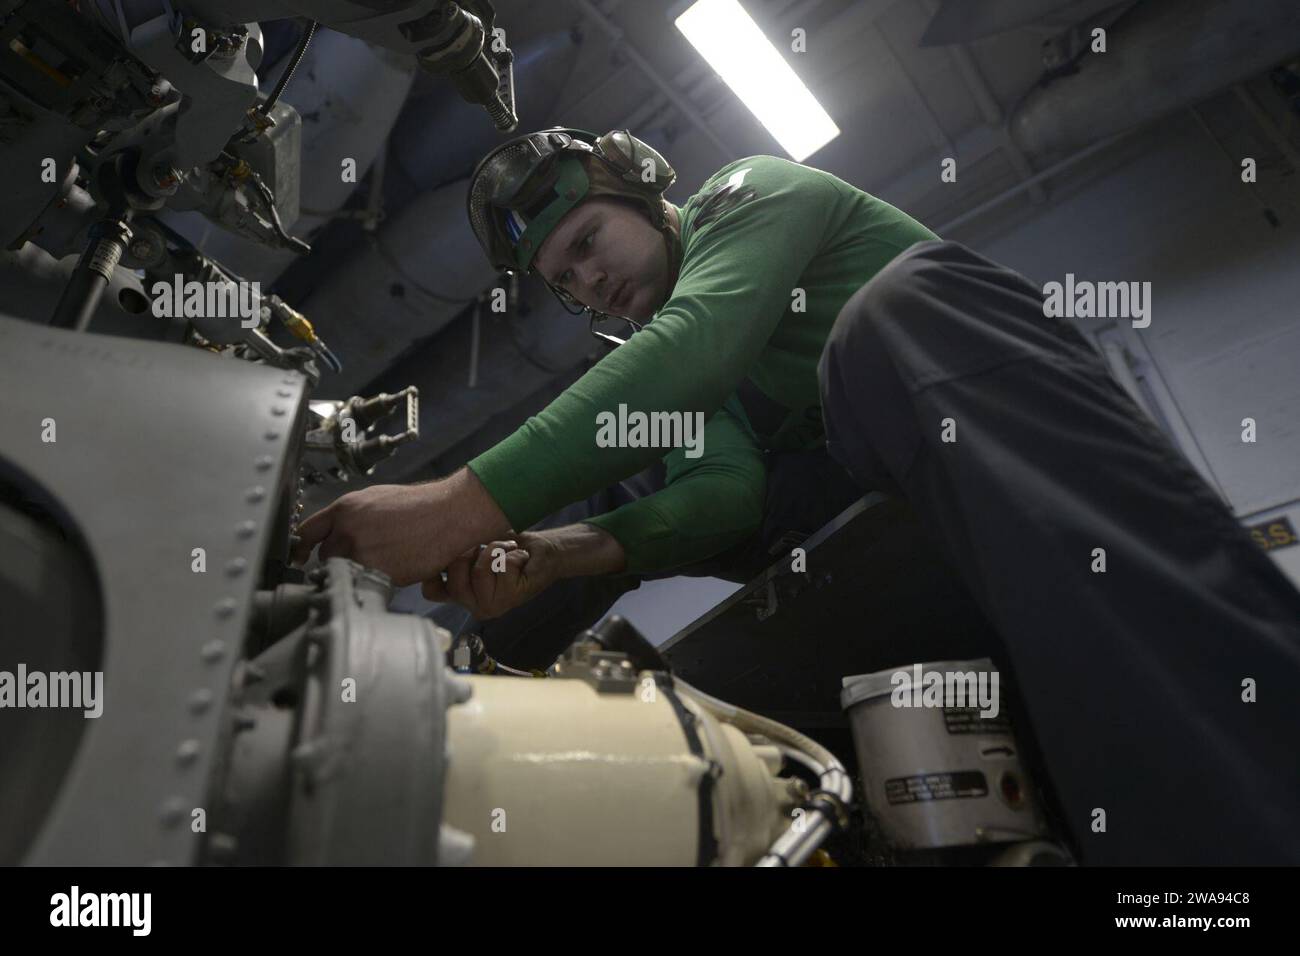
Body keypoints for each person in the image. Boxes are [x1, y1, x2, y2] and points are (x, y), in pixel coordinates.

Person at [294, 127, 1300, 864]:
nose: (586, 283)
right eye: (563, 278)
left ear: (649, 198)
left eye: (590, 242)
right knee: (712, 692)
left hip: (997, 425)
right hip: (903, 526)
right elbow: (725, 499)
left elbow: (698, 345)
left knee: (891, 316)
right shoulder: (687, 364)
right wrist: (552, 554)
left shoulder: (749, 193)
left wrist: (457, 502)